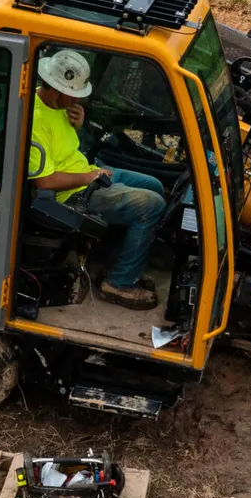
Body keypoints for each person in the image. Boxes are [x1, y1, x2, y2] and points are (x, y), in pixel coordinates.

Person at [26, 49, 167, 311]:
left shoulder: (58, 105)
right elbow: (44, 182)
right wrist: (91, 176)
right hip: (71, 194)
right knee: (152, 205)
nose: (78, 98)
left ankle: (118, 260)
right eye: (74, 93)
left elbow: (63, 148)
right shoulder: (33, 122)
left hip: (88, 172)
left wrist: (78, 126)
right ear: (56, 89)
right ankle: (119, 283)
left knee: (154, 185)